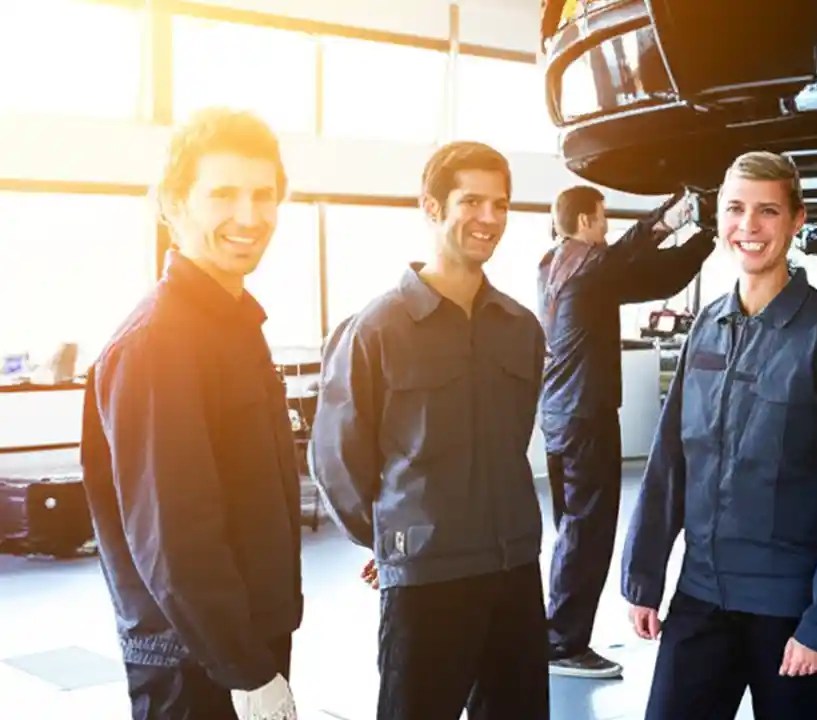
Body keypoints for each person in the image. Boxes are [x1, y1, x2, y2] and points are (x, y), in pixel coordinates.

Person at [621, 151, 817, 719]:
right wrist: (645, 573)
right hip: (700, 595)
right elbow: (670, 461)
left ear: (796, 219)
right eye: (736, 208)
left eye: (767, 211)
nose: (749, 226)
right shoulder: (706, 329)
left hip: (789, 612)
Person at [310, 140, 549, 720]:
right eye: (472, 201)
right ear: (433, 207)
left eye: (500, 205)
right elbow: (336, 456)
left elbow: (515, 435)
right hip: (427, 577)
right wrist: (389, 536)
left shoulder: (520, 328)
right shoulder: (377, 327)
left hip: (513, 566)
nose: (489, 219)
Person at [79, 107, 302, 720]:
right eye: (223, 194)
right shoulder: (158, 341)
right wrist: (246, 670)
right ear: (173, 205)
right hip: (191, 657)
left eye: (264, 195)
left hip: (242, 638)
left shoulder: (235, 324)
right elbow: (174, 537)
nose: (249, 217)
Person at [538, 185, 715, 678]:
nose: (606, 230)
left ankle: (557, 632)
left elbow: (653, 277)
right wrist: (673, 217)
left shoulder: (553, 265)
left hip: (557, 417)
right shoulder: (588, 265)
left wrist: (703, 241)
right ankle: (562, 643)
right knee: (587, 532)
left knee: (574, 530)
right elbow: (631, 252)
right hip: (585, 416)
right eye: (602, 220)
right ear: (587, 221)